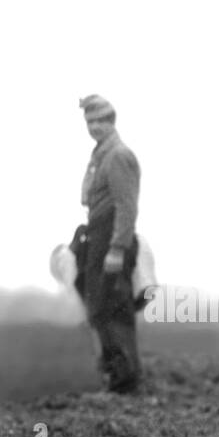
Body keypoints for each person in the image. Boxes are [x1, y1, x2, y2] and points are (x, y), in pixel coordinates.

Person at [76, 94, 142, 393]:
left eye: (101, 121)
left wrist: (117, 248)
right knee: (99, 308)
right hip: (98, 233)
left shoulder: (118, 155)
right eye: (90, 122)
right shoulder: (100, 153)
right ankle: (115, 375)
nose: (94, 127)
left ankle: (125, 381)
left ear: (111, 121)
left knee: (114, 310)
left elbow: (126, 206)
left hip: (112, 237)